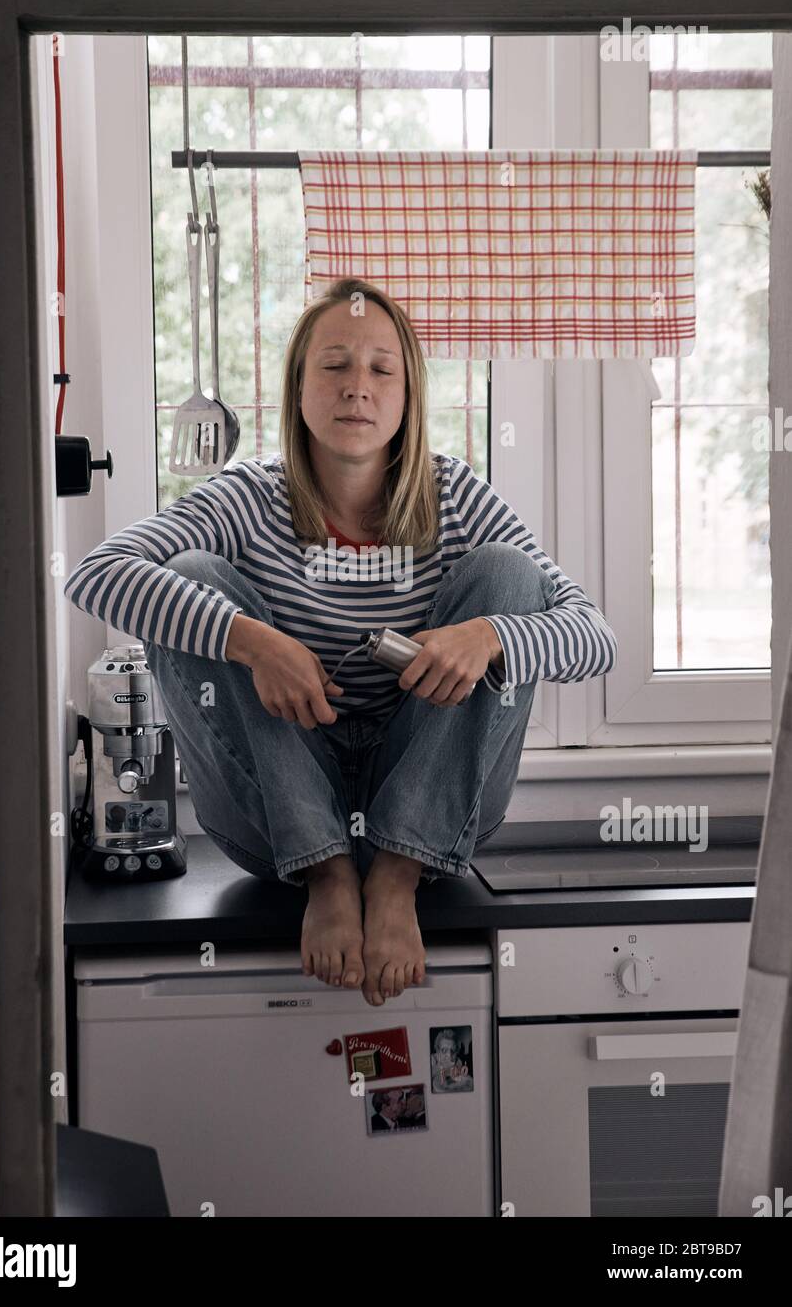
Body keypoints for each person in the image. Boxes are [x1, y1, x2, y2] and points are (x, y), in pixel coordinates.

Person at [64, 276, 617, 1008]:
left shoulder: (458, 498)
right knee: (191, 575)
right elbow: (94, 574)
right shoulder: (245, 497)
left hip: (435, 810)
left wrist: (487, 636)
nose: (357, 386)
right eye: (334, 365)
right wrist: (254, 642)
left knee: (508, 577)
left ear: (407, 396)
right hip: (273, 820)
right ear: (298, 389)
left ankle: (393, 877)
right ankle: (325, 872)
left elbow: (594, 638)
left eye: (381, 369)